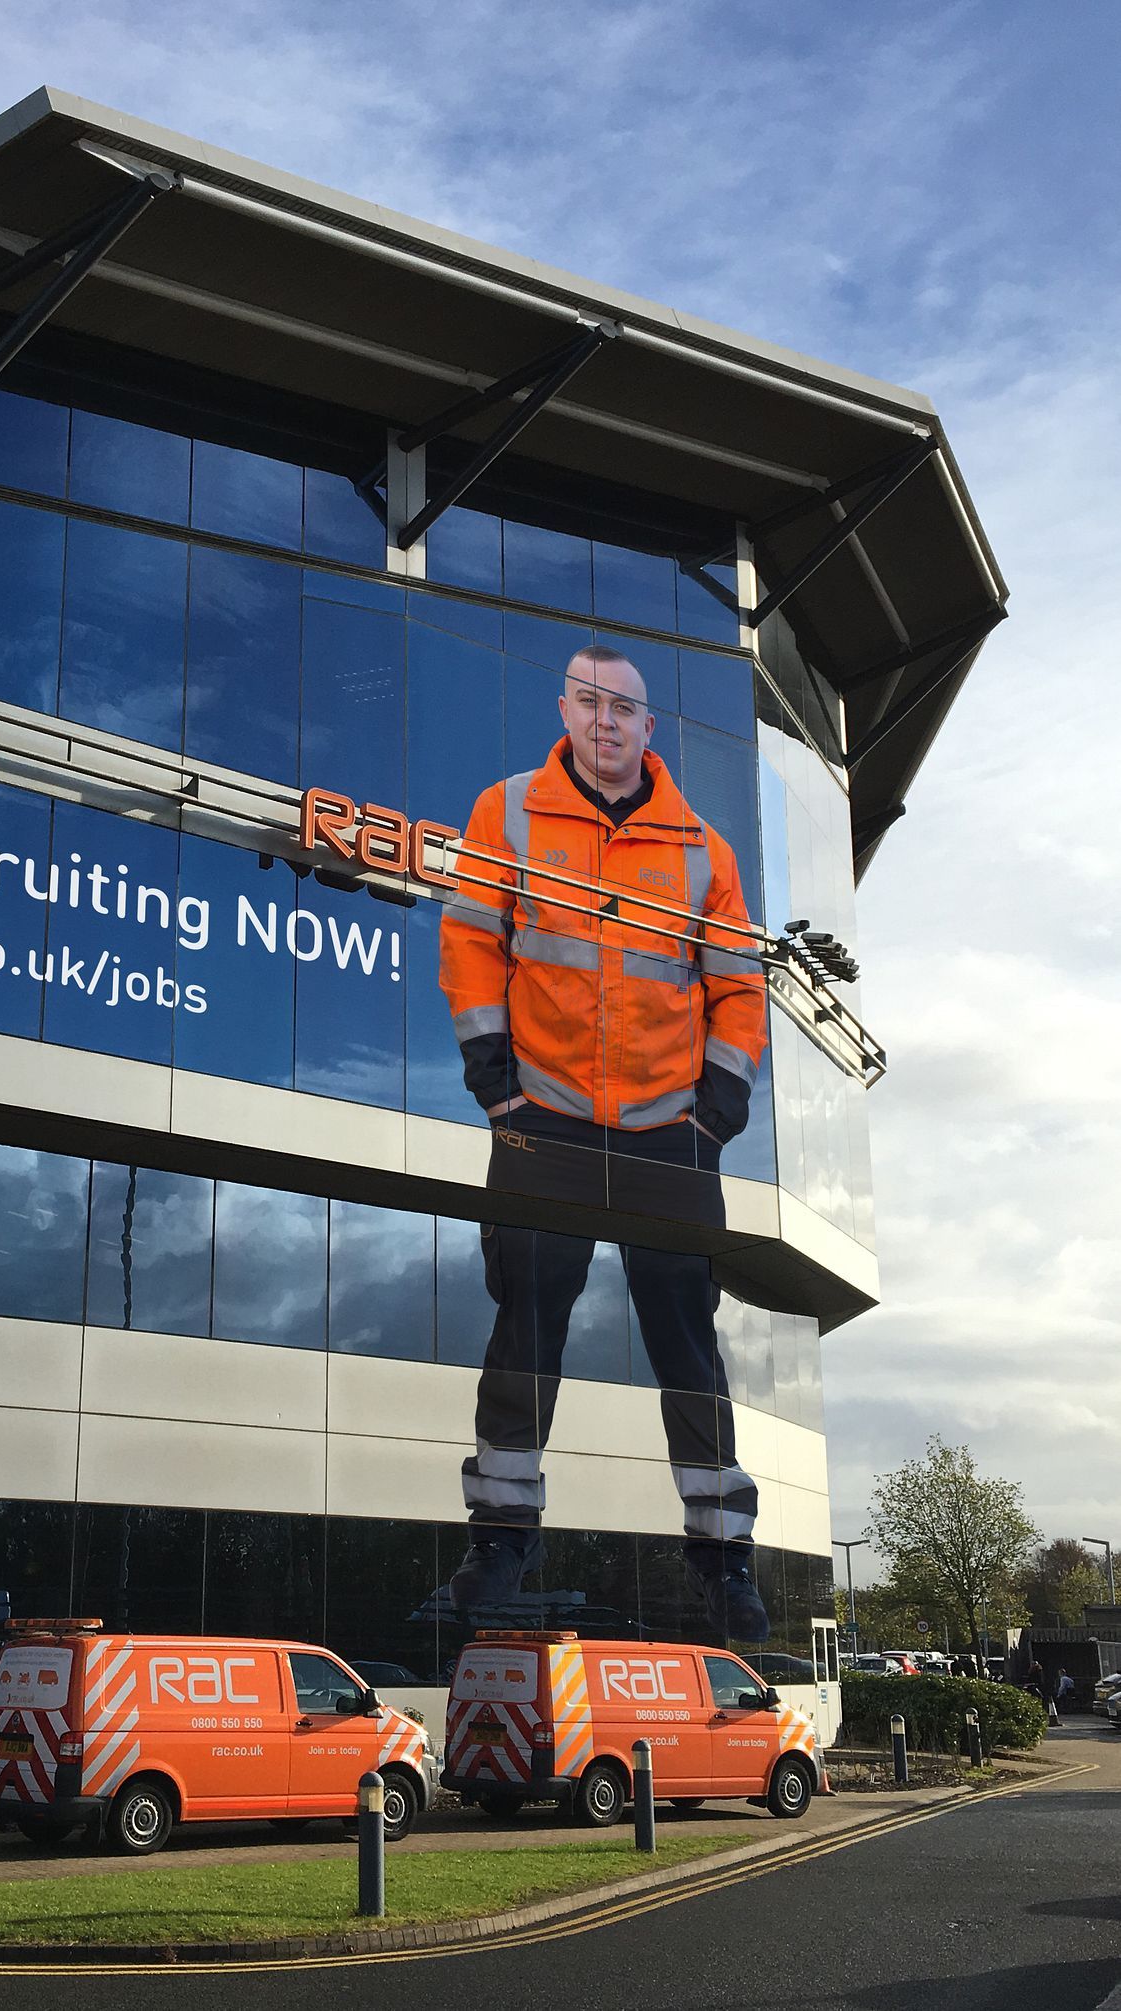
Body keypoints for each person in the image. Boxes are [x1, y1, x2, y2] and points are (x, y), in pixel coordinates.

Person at [438, 645, 770, 1641]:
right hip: (545, 1120)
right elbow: (470, 941)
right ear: (565, 708)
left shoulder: (705, 849)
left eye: (623, 706)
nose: (605, 720)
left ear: (647, 727)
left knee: (686, 1339)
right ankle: (501, 1535)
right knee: (525, 1322)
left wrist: (718, 1109)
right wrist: (497, 1087)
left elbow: (739, 986)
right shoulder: (506, 812)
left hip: (672, 1130)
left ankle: (722, 1559)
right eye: (587, 700)